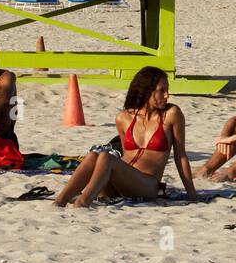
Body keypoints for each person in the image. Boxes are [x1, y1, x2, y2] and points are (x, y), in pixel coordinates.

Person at [53, 66, 197, 207]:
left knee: (106, 156)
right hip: (118, 183)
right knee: (94, 155)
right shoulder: (123, 118)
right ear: (147, 92)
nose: (167, 95)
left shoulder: (172, 114)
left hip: (147, 184)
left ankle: (82, 202)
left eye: (167, 90)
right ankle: (59, 201)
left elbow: (180, 156)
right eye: (162, 90)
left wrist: (192, 194)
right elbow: (126, 154)